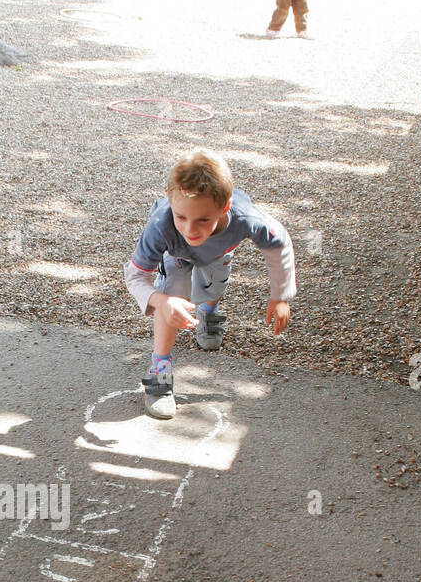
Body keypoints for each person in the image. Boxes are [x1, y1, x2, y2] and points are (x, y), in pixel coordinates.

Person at [123, 149, 295, 419]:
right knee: (173, 293)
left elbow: (279, 245)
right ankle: (160, 371)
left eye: (203, 219)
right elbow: (134, 275)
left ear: (224, 207)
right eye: (181, 217)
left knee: (214, 288)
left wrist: (280, 295)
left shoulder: (247, 219)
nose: (191, 229)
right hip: (176, 254)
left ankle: (208, 313)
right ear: (170, 203)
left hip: (218, 252)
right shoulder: (161, 225)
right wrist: (161, 301)